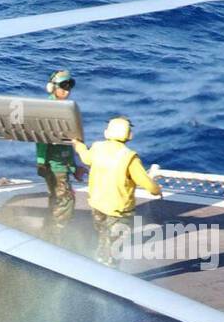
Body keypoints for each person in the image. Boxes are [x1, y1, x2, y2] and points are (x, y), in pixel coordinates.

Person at [71, 116, 162, 267]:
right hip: (118, 211)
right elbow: (147, 184)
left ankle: (99, 262)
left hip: (97, 205)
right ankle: (110, 272)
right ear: (129, 135)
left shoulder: (97, 147)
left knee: (103, 236)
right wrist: (157, 190)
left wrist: (78, 145)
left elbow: (86, 158)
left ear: (106, 133)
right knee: (115, 248)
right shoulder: (129, 157)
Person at [35, 70, 84, 243]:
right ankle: (57, 240)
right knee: (65, 200)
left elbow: (71, 142)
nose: (67, 90)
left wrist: (75, 166)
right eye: (63, 86)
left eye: (69, 86)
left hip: (63, 164)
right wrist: (41, 162)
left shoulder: (65, 108)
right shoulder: (49, 109)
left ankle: (48, 235)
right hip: (55, 166)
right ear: (52, 87)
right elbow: (41, 139)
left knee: (57, 198)